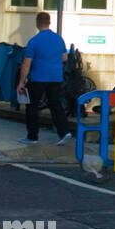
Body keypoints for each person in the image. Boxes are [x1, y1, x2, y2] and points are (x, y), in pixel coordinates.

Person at [16, 12, 74, 146]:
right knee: (55, 105)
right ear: (49, 22)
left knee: (32, 106)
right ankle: (64, 132)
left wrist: (21, 82)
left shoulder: (34, 41)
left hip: (38, 77)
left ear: (37, 23)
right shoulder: (59, 39)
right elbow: (64, 58)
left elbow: (26, 64)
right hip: (55, 77)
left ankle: (32, 136)